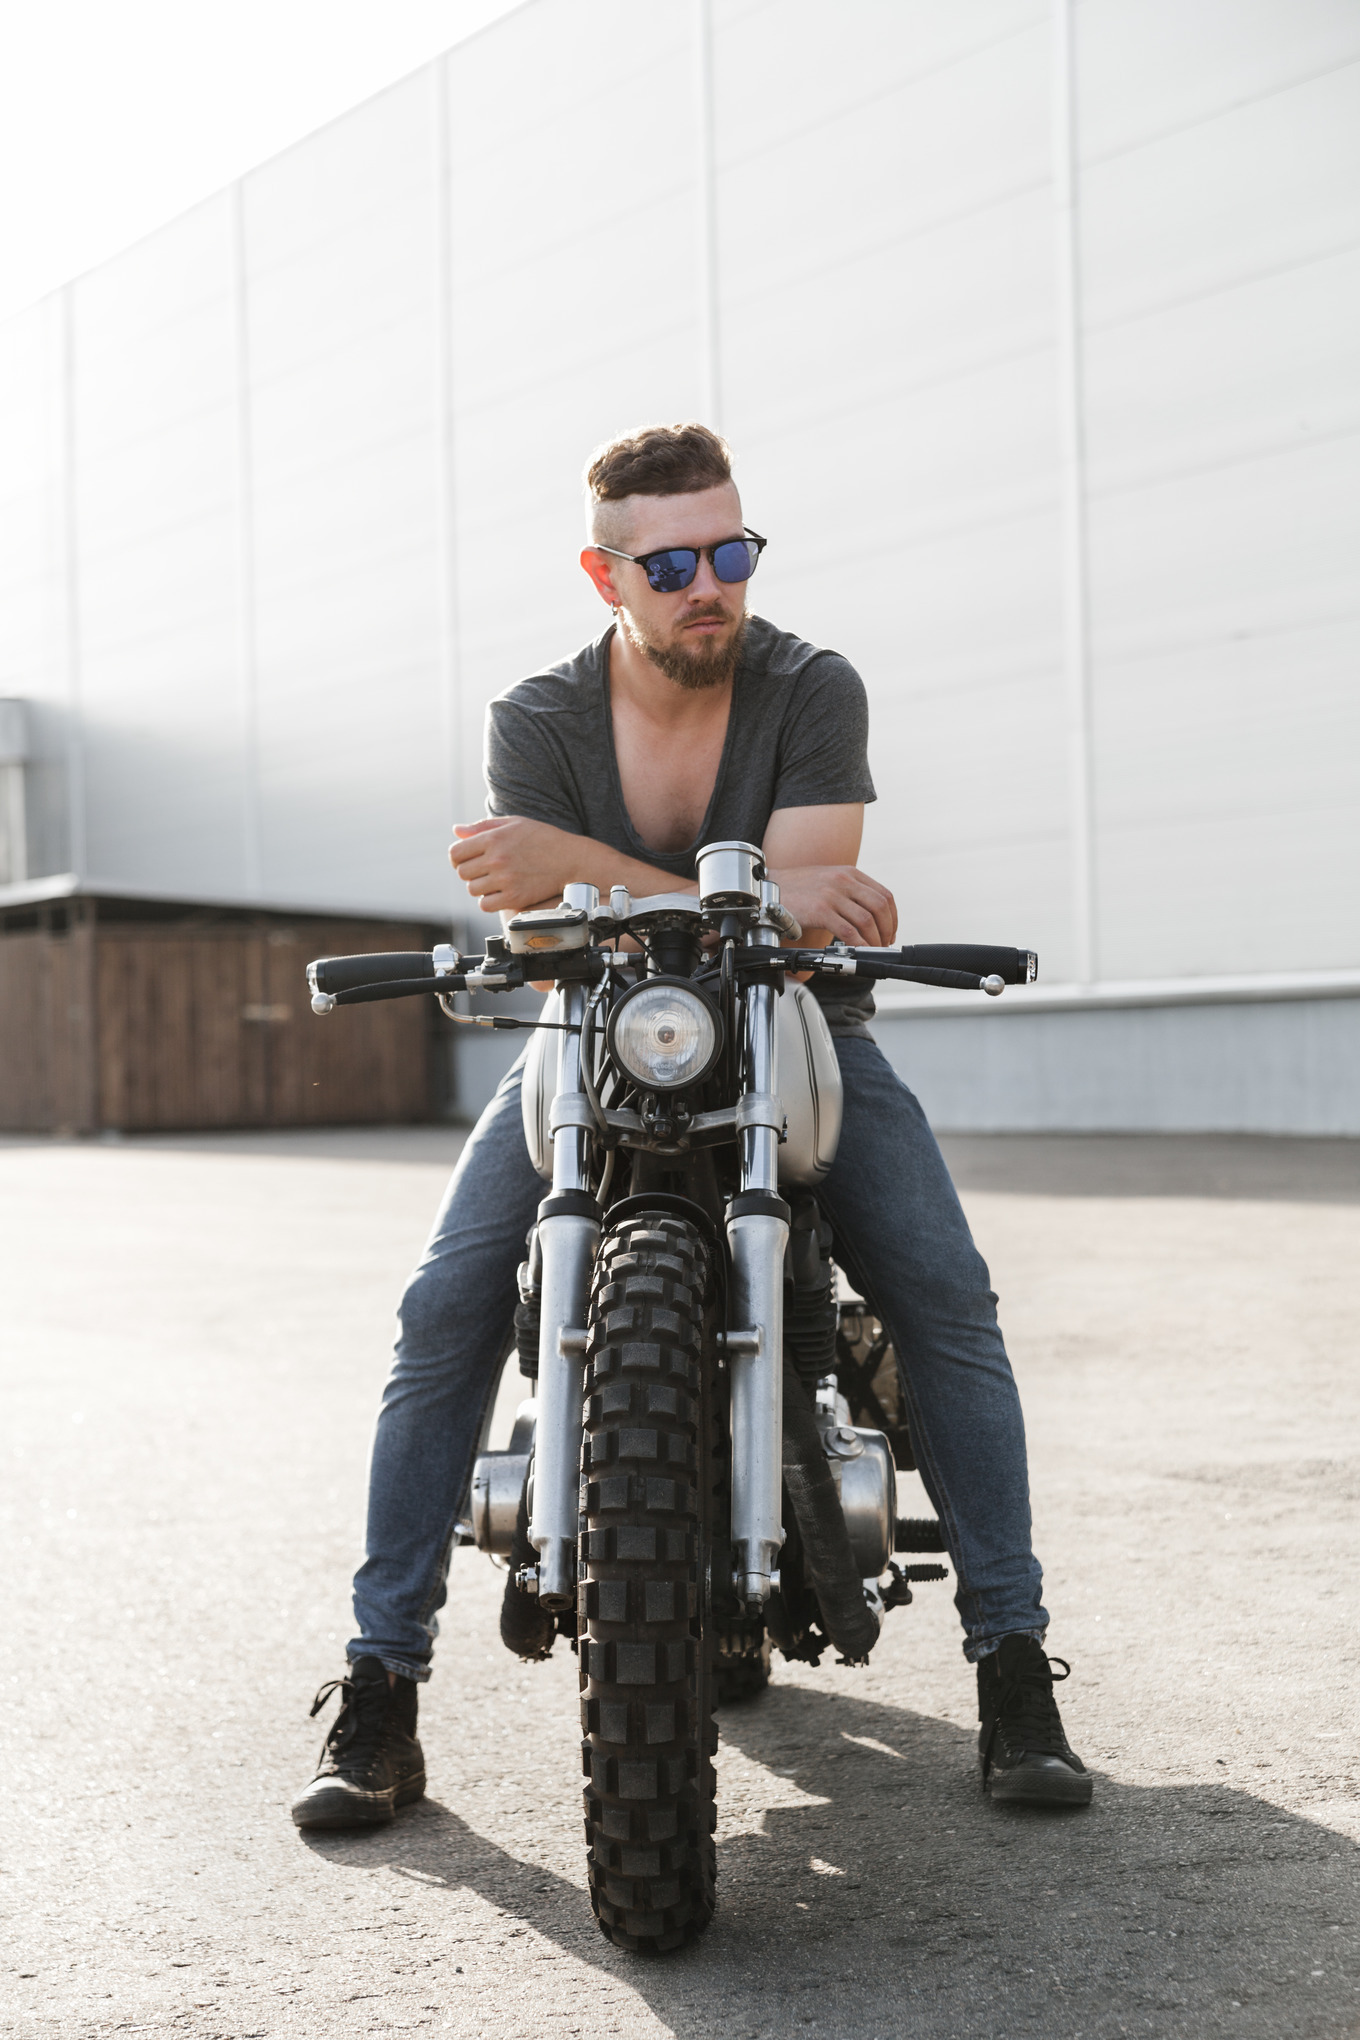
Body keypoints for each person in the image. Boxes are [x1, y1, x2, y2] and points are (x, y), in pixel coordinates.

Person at [291, 423, 1091, 1830]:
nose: (708, 585)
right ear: (605, 574)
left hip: (798, 1029)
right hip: (594, 1034)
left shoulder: (811, 685)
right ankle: (380, 1687)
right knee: (444, 1306)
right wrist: (717, 890)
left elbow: (809, 906)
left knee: (946, 1296)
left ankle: (1014, 1666)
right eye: (670, 565)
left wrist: (583, 866)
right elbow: (555, 929)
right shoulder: (538, 716)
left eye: (731, 552)